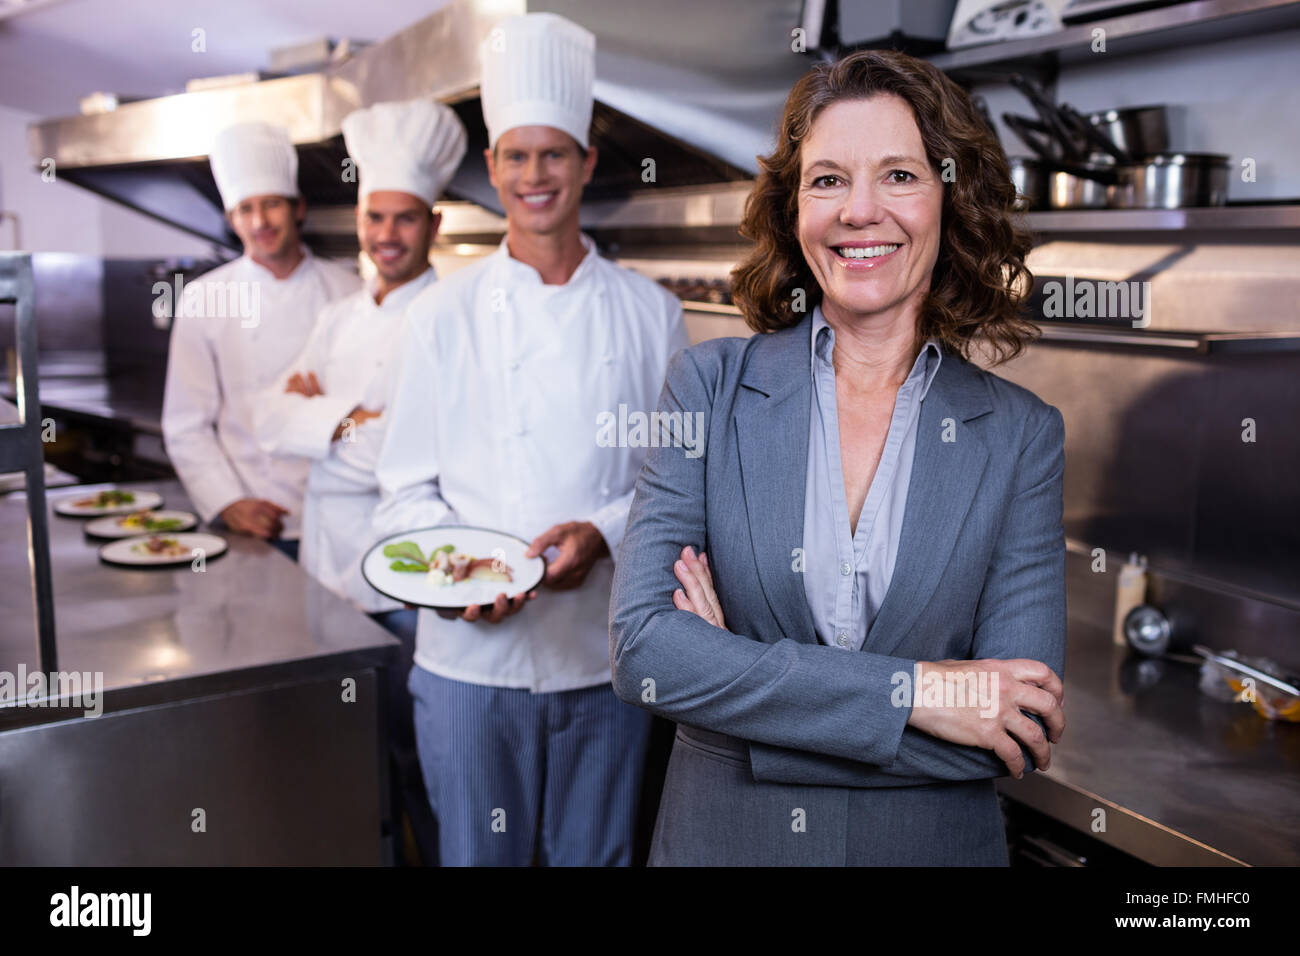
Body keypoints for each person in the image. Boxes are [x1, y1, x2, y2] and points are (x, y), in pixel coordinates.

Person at [609, 48, 1067, 866]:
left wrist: (735, 693)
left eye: (899, 176)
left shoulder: (1021, 435)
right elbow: (646, 654)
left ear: (950, 200)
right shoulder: (706, 390)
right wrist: (922, 692)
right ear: (794, 210)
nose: (860, 211)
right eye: (827, 180)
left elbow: (1015, 733)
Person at [373, 12, 688, 866]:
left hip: (605, 663)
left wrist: (604, 534)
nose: (534, 174)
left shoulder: (650, 312)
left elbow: (679, 481)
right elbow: (403, 488)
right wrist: (455, 574)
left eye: (553, 154)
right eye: (516, 156)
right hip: (471, 665)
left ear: (586, 162)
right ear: (491, 171)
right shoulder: (443, 315)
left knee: (599, 861)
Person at [252, 99, 467, 865]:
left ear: (432, 226)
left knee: (422, 766)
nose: (386, 235)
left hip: (404, 582)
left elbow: (404, 458)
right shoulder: (339, 316)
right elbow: (265, 417)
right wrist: (355, 419)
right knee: (346, 762)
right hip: (325, 571)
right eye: (376, 217)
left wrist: (321, 419)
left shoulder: (452, 312)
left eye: (405, 219)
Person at [162, 121, 359, 558]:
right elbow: (185, 423)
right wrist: (229, 502)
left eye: (271, 205)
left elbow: (363, 413)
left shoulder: (350, 291)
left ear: (298, 208)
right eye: (245, 209)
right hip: (248, 516)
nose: (260, 221)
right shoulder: (202, 299)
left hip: (338, 513)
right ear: (232, 219)